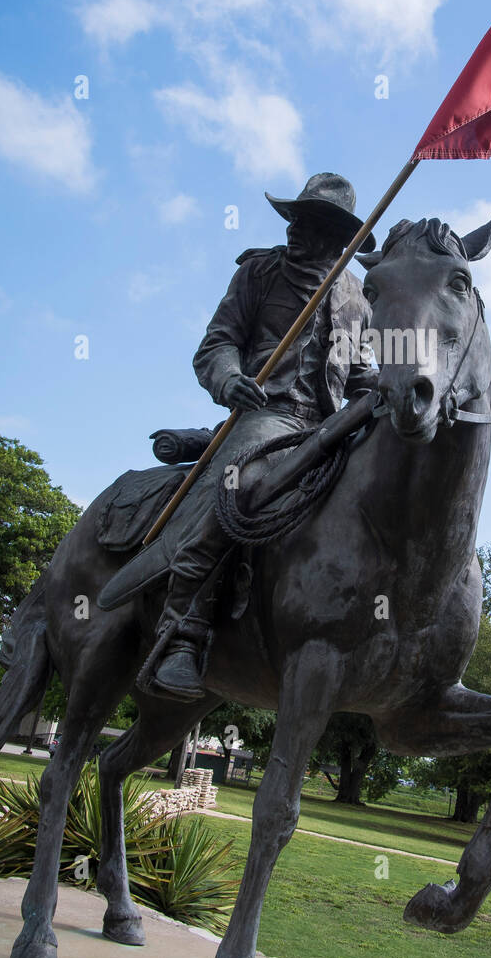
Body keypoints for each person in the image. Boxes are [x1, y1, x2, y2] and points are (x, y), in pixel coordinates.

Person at [146, 172, 377, 701]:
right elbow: (218, 342)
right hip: (266, 415)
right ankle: (182, 631)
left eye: (312, 223)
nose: (297, 230)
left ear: (338, 237)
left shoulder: (359, 301)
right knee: (239, 486)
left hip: (326, 426)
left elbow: (360, 376)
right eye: (295, 218)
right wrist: (230, 379)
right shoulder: (258, 273)